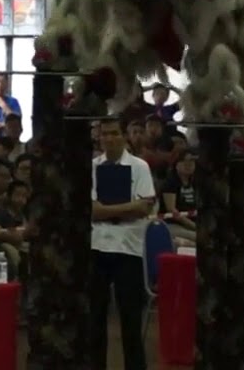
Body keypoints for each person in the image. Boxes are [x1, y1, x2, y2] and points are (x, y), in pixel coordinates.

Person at [90, 118, 156, 370]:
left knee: (130, 318)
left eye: (114, 133)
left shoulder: (140, 167)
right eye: (104, 134)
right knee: (95, 318)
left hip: (129, 247)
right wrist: (127, 208)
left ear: (123, 136)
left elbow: (144, 208)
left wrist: (107, 210)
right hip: (97, 245)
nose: (109, 138)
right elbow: (92, 211)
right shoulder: (93, 167)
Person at [160, 150, 197, 241]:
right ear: (176, 164)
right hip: (173, 224)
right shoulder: (170, 183)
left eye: (191, 161)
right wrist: (194, 226)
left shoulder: (196, 183)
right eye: (185, 161)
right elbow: (172, 210)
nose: (188, 164)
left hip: (192, 224)